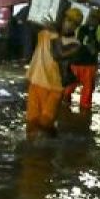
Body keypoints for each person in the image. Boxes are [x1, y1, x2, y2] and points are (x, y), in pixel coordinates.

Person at [25, 7, 81, 138]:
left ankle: (51, 143)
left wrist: (55, 33)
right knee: (32, 123)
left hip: (54, 88)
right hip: (36, 82)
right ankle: (33, 153)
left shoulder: (75, 44)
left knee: (46, 123)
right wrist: (37, 10)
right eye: (68, 20)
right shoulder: (46, 32)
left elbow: (58, 54)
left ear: (77, 26)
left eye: (74, 23)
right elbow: (28, 22)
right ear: (63, 19)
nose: (69, 24)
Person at [64, 7, 100, 110]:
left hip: (88, 65)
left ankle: (81, 111)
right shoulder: (79, 28)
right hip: (77, 63)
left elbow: (98, 47)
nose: (92, 19)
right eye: (91, 17)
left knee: (86, 92)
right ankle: (67, 105)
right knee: (69, 89)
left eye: (95, 17)